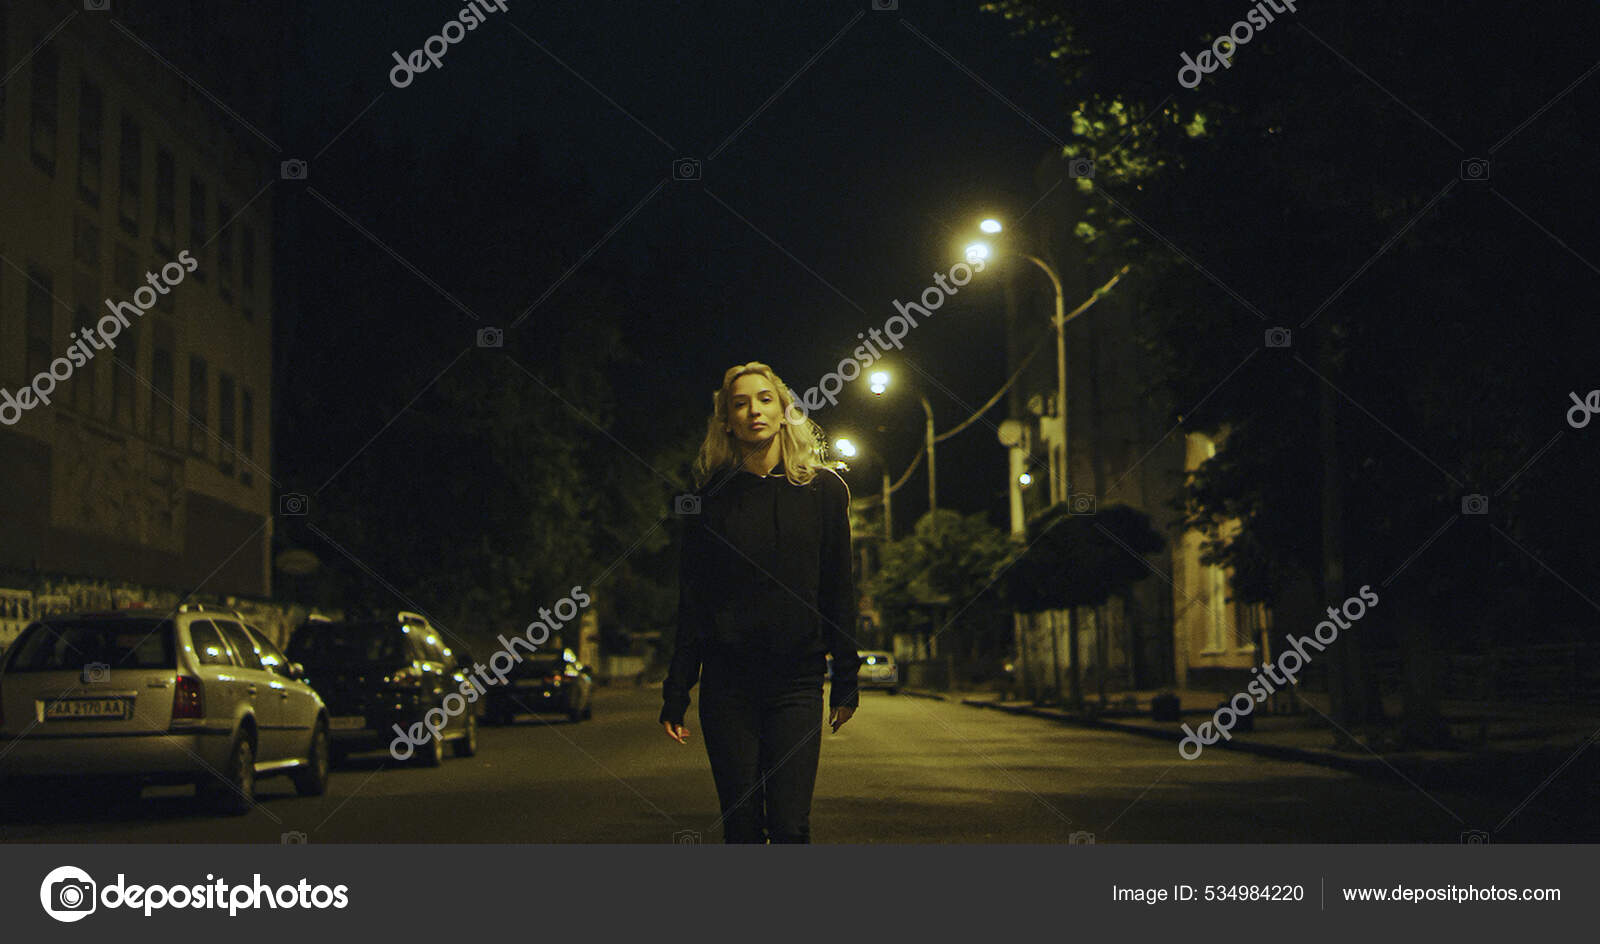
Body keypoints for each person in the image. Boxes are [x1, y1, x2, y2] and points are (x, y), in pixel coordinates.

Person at [660, 361, 861, 843]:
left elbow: (838, 587)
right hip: (728, 684)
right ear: (727, 421)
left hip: (797, 681)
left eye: (765, 399)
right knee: (742, 826)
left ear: (785, 411)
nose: (754, 411)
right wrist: (677, 688)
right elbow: (694, 600)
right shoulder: (708, 500)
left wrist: (846, 678)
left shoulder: (823, 490)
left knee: (791, 825)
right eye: (741, 403)